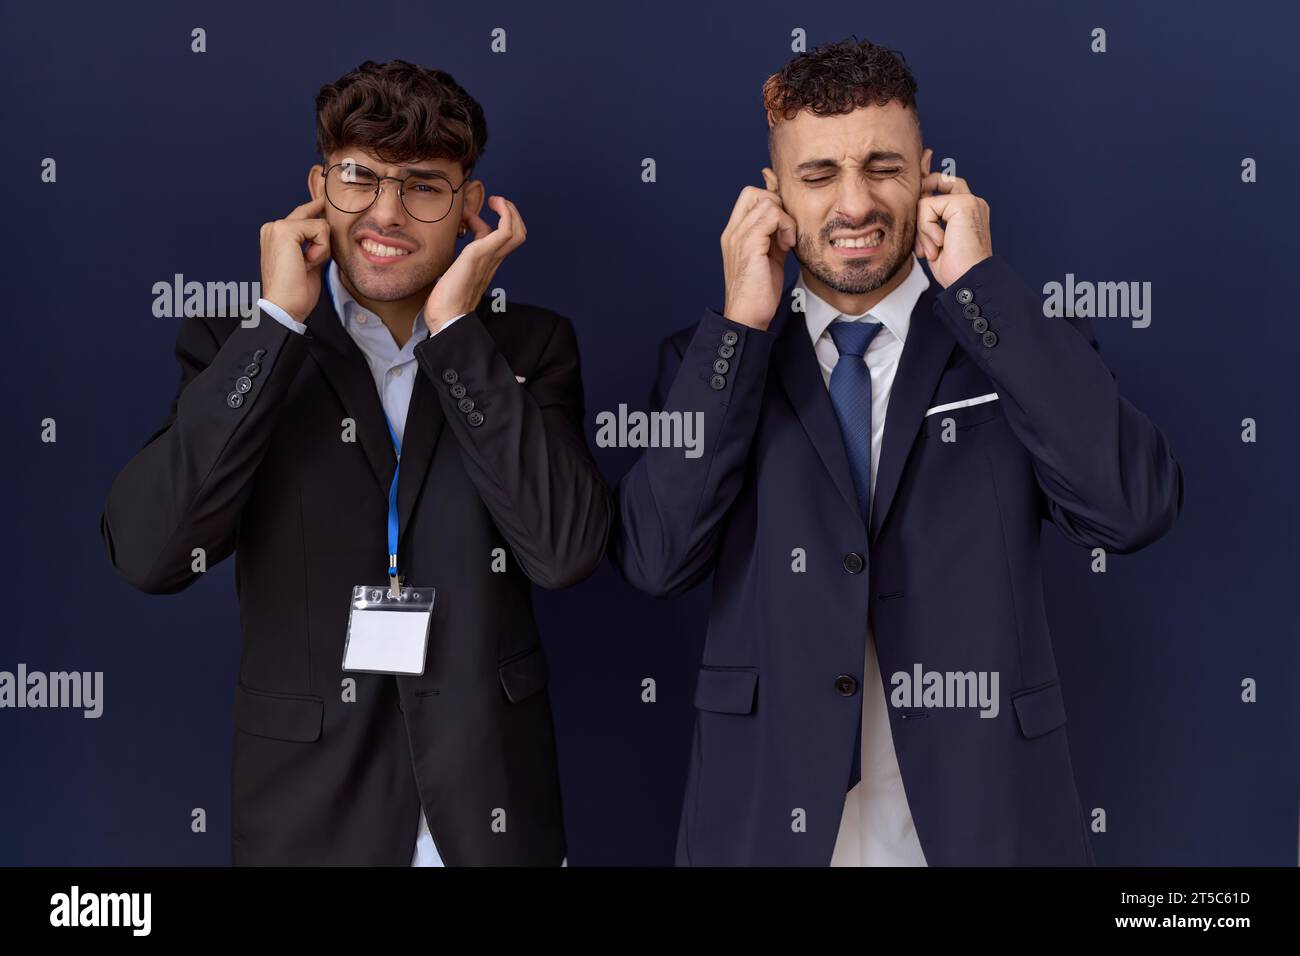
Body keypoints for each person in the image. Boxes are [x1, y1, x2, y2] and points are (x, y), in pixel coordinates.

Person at [610, 38, 1182, 865]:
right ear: (772, 196)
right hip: (769, 824)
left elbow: (1132, 508)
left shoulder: (1010, 339)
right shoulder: (717, 360)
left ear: (928, 174)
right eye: (818, 176)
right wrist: (739, 324)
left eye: (883, 167)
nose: (854, 203)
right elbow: (657, 557)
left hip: (983, 823)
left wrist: (981, 288)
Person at [101, 60, 610, 865]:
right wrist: (273, 328)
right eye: (359, 178)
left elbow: (565, 550)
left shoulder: (528, 347)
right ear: (317, 187)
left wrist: (456, 334)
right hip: (307, 819)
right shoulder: (237, 343)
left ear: (469, 206)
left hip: (490, 815)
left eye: (422, 186)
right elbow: (151, 554)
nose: (387, 212)